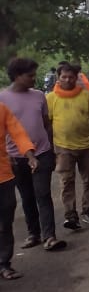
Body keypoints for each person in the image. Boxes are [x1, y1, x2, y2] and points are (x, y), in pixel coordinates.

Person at [0, 58, 66, 252]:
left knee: (43, 194)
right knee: (27, 196)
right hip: (15, 156)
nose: (34, 79)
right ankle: (34, 234)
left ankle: (50, 236)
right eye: (30, 76)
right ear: (17, 76)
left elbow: (46, 123)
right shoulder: (2, 98)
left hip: (42, 152)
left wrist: (51, 148)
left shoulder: (39, 96)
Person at [46, 63, 89, 230]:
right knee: (66, 181)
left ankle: (87, 211)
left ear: (76, 77)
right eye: (63, 77)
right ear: (58, 78)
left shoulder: (85, 96)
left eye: (71, 77)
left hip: (86, 146)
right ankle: (70, 216)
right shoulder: (51, 98)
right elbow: (47, 123)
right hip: (63, 147)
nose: (67, 80)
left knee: (88, 179)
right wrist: (50, 146)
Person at [0, 96, 39, 280]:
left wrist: (30, 155)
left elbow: (18, 134)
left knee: (4, 223)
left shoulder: (2, 109)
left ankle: (4, 264)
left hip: (3, 176)